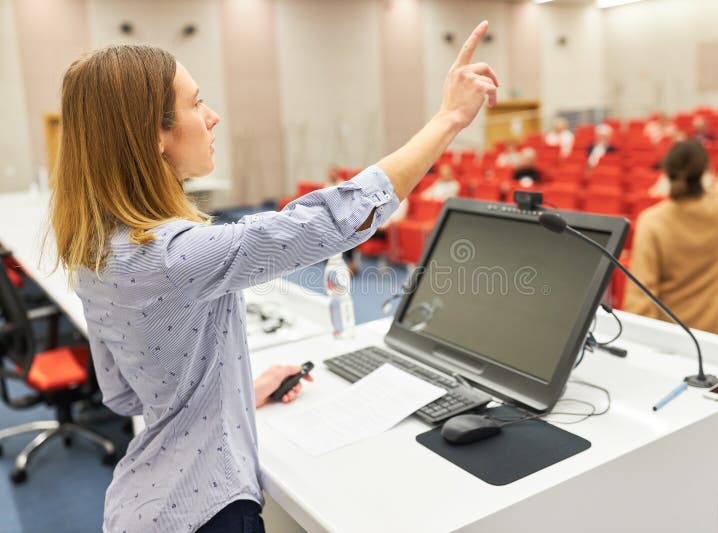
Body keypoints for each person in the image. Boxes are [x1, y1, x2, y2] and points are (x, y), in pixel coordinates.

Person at [48, 21, 497, 533]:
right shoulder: (177, 256)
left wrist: (232, 389)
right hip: (208, 512)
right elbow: (333, 219)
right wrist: (448, 119)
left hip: (139, 508)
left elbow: (127, 396)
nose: (212, 116)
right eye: (197, 104)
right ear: (155, 136)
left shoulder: (93, 250)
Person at [624, 105, 718, 335]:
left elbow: (640, 299)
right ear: (704, 172)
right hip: (714, 336)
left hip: (669, 341)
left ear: (666, 173)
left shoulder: (652, 222)